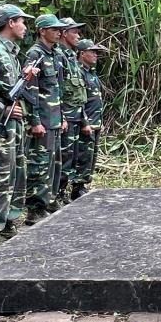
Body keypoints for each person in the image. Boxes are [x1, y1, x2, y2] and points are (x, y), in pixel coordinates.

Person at [0, 4, 35, 249]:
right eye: (22, 21)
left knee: (17, 172)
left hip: (15, 123)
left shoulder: (12, 52)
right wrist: (1, 108)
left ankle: (10, 222)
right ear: (11, 22)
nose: (25, 27)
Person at [24, 14, 66, 224]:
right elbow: (31, 90)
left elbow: (58, 89)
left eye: (60, 29)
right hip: (43, 119)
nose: (59, 32)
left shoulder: (55, 54)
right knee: (39, 164)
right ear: (42, 31)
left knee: (54, 163)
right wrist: (35, 121)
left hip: (55, 117)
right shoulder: (35, 54)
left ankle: (50, 199)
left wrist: (63, 116)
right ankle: (35, 208)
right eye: (54, 29)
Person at [56, 17, 89, 203]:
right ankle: (58, 194)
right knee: (64, 157)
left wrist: (83, 118)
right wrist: (61, 116)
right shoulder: (59, 56)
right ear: (64, 33)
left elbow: (78, 92)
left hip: (75, 115)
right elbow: (57, 90)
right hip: (65, 116)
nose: (78, 35)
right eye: (74, 31)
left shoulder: (71, 58)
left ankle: (64, 193)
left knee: (72, 157)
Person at [70, 38, 108, 198]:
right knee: (83, 155)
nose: (95, 55)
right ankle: (77, 187)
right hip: (86, 122)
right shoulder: (78, 72)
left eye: (96, 52)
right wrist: (85, 122)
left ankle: (83, 183)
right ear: (82, 53)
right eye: (92, 52)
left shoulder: (91, 73)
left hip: (95, 121)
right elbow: (79, 101)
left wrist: (100, 122)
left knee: (91, 155)